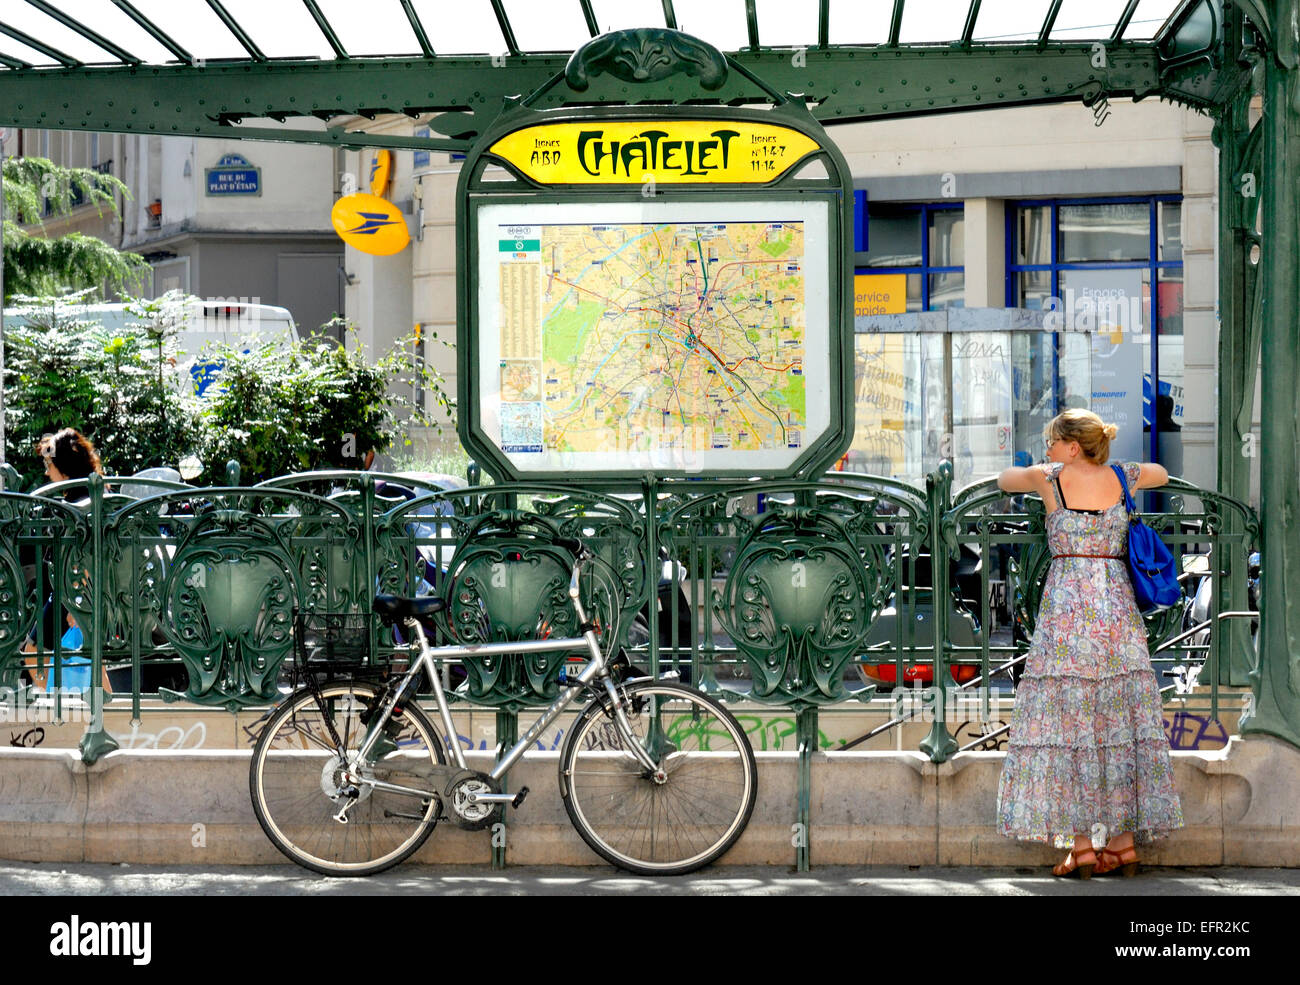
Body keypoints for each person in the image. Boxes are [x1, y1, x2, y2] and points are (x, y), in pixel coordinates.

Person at [994, 409, 1184, 878]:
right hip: (1117, 613)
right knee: (1119, 719)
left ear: (1072, 447)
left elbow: (1003, 480)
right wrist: (1122, 470)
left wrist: (1045, 470)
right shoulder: (1123, 477)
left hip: (1067, 616)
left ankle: (1080, 848)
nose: (1047, 449)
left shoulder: (1050, 478)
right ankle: (1121, 845)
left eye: (1053, 441)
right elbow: (1163, 473)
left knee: (1069, 724)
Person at [21, 429, 112, 694]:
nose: (47, 473)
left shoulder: (80, 504)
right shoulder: (95, 494)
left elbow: (91, 553)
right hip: (79, 591)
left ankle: (57, 702)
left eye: (50, 466)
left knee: (33, 650)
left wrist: (79, 604)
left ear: (65, 470)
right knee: (95, 661)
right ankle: (104, 707)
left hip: (73, 593)